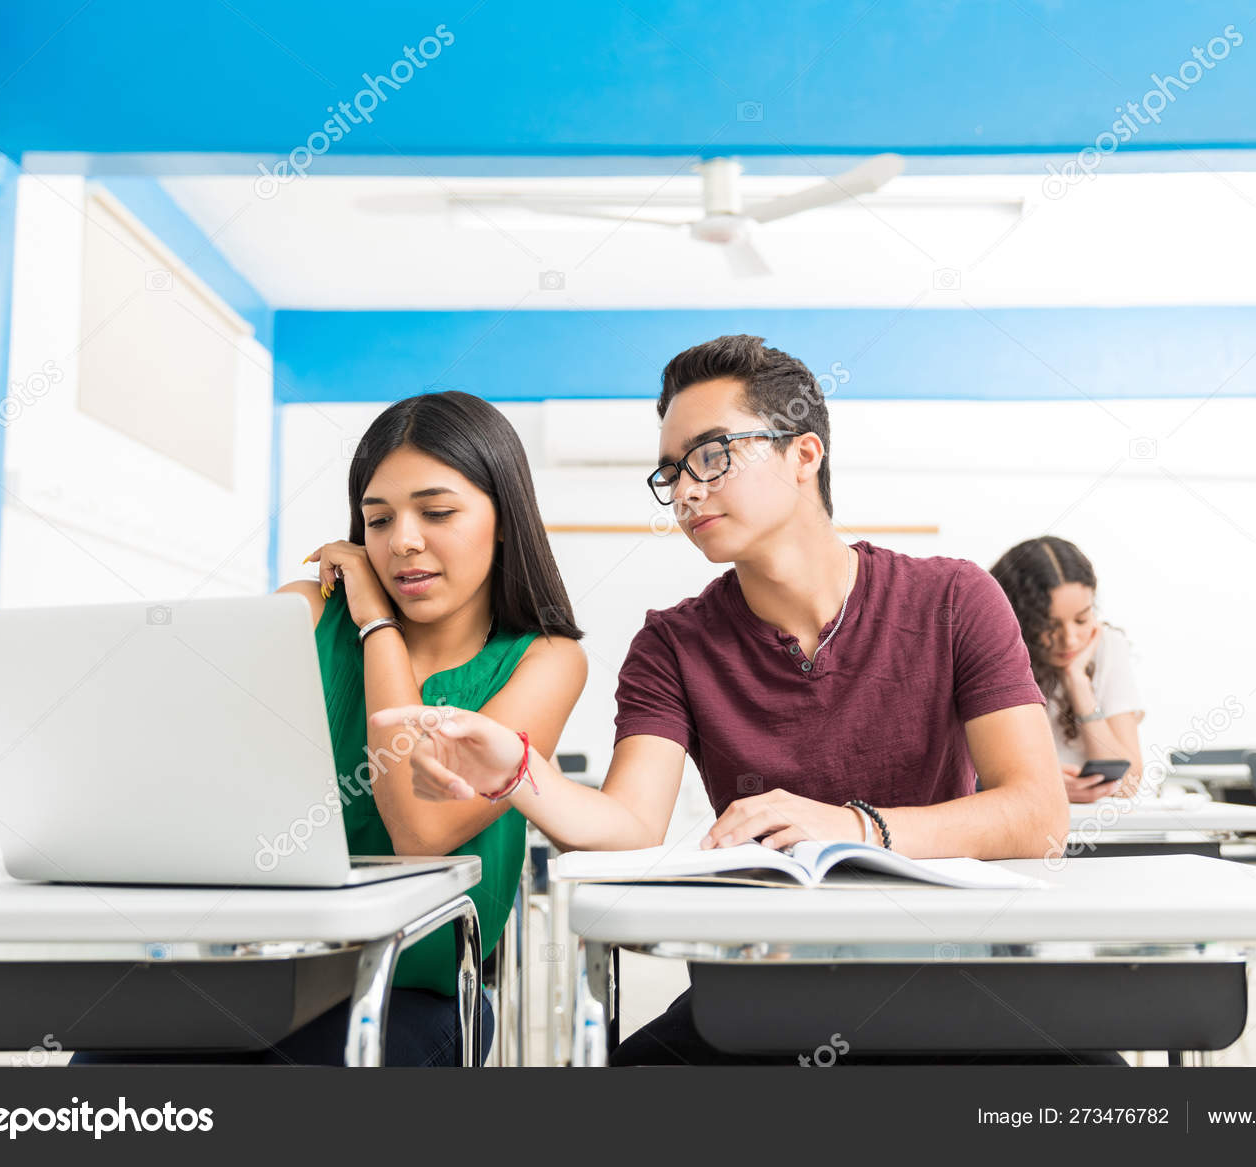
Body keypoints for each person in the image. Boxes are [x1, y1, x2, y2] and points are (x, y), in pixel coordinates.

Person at [373, 335, 1071, 1065]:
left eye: (711, 454)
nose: (684, 490)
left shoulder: (955, 598)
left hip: (947, 976)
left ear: (805, 455)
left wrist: (849, 829)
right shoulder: (673, 643)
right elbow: (631, 825)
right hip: (763, 985)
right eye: (671, 471)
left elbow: (1036, 813)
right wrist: (520, 770)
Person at [74, 390, 586, 1066]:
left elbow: (420, 832)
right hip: (258, 970)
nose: (402, 540)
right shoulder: (303, 614)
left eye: (436, 512)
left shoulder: (546, 659)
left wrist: (378, 627)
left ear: (502, 520)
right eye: (378, 519)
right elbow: (199, 785)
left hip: (413, 991)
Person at [989, 536, 1145, 803]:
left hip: (1100, 829)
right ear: (1018, 619)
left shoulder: (1107, 646)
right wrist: (1042, 785)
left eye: (1082, 619)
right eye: (1049, 625)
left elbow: (1128, 783)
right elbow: (970, 779)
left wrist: (1077, 682)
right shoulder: (990, 652)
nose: (1070, 640)